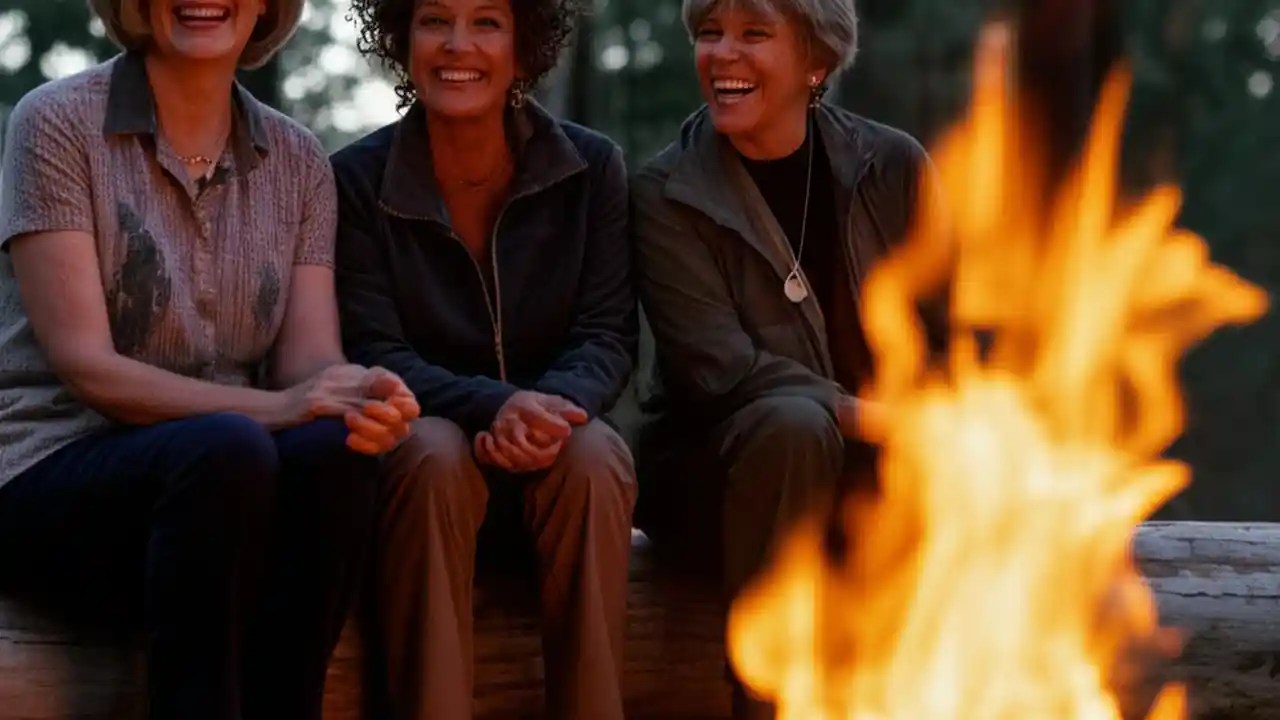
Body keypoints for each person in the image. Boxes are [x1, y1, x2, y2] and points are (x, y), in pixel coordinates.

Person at [0, 0, 420, 717]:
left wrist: (361, 392)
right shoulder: (57, 122)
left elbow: (309, 364)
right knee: (227, 448)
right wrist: (276, 409)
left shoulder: (298, 160)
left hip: (226, 494)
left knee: (335, 450)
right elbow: (86, 365)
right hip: (55, 469)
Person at [632, 0, 943, 717]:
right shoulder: (667, 194)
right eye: (710, 33)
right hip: (722, 474)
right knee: (794, 427)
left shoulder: (892, 165)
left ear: (816, 60)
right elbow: (719, 370)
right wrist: (870, 417)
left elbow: (952, 329)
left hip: (879, 469)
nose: (723, 53)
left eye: (753, 34)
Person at [333, 0, 638, 718]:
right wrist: (493, 405)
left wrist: (550, 411)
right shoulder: (353, 180)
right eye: (435, 20)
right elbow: (373, 349)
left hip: (556, 448)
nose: (458, 44)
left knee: (596, 455)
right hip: (430, 457)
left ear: (523, 43)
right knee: (430, 452)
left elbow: (606, 333)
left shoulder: (591, 167)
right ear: (402, 36)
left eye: (487, 23)